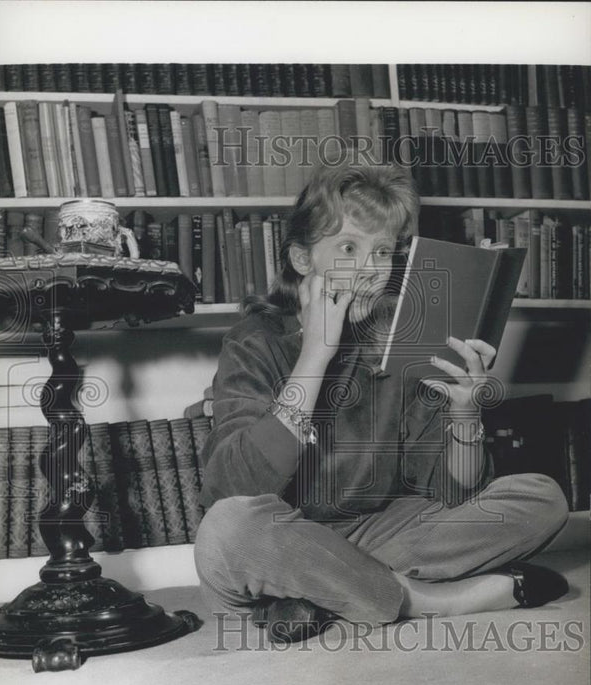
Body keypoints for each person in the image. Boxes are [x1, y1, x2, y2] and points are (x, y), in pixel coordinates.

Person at [194, 163, 569, 643]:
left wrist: (464, 411)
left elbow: (455, 495)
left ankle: (320, 595)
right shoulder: (256, 341)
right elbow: (232, 487)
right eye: (349, 248)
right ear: (303, 260)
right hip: (277, 533)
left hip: (374, 534)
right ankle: (429, 601)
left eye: (384, 252)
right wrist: (315, 355)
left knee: (541, 496)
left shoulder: (399, 343)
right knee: (227, 529)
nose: (372, 271)